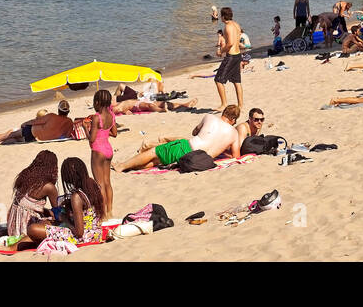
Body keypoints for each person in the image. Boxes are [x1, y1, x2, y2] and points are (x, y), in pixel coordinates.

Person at [116, 107, 241, 172]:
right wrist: (221, 149)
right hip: (201, 160)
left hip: (188, 148)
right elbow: (236, 157)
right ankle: (132, 167)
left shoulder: (210, 117)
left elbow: (194, 132)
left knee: (154, 152)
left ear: (224, 113)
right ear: (234, 120)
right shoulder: (234, 133)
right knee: (157, 162)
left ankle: (122, 166)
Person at [4, 151, 60, 249]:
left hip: (13, 225)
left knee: (49, 213)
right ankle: (16, 246)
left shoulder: (26, 175)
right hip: (26, 228)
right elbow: (58, 212)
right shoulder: (48, 186)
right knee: (55, 223)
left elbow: (27, 204)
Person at [60, 157, 107, 243]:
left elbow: (79, 233)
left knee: (33, 229)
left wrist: (65, 219)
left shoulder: (76, 197)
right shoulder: (91, 183)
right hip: (95, 233)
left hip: (84, 237)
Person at [86, 89, 117, 217]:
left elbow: (92, 139)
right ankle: (110, 211)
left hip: (98, 150)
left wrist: (85, 128)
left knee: (99, 184)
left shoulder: (96, 118)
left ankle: (103, 214)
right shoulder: (111, 115)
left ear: (97, 102)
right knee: (107, 182)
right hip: (108, 149)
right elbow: (114, 133)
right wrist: (102, 131)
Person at [0, 100, 74, 145]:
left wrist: (25, 123)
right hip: (37, 138)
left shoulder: (52, 116)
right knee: (14, 139)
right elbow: (67, 135)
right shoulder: (70, 122)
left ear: (59, 110)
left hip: (32, 131)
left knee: (12, 134)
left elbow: (36, 121)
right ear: (68, 111)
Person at [214, 7, 245, 112]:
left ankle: (223, 104)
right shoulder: (236, 25)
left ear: (223, 16)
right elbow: (238, 37)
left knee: (218, 80)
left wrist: (221, 51)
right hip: (237, 55)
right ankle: (240, 105)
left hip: (231, 56)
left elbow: (230, 43)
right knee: (237, 81)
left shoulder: (228, 27)